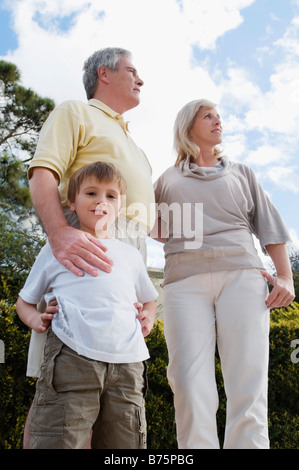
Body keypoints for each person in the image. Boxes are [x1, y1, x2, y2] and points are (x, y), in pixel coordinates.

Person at [152, 99, 295, 449]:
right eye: (208, 116)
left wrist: (285, 277)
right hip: (184, 282)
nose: (218, 121)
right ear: (188, 127)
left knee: (248, 379)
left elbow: (269, 226)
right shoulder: (167, 179)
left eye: (219, 116)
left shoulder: (242, 173)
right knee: (187, 379)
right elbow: (153, 229)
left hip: (242, 276)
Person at [16, 161, 158, 449]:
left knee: (126, 442)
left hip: (128, 364)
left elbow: (148, 298)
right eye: (91, 193)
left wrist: (149, 317)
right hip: (72, 356)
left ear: (120, 206)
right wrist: (36, 319)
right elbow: (24, 302)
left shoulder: (130, 255)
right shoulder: (57, 248)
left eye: (110, 196)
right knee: (63, 437)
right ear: (72, 202)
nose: (100, 202)